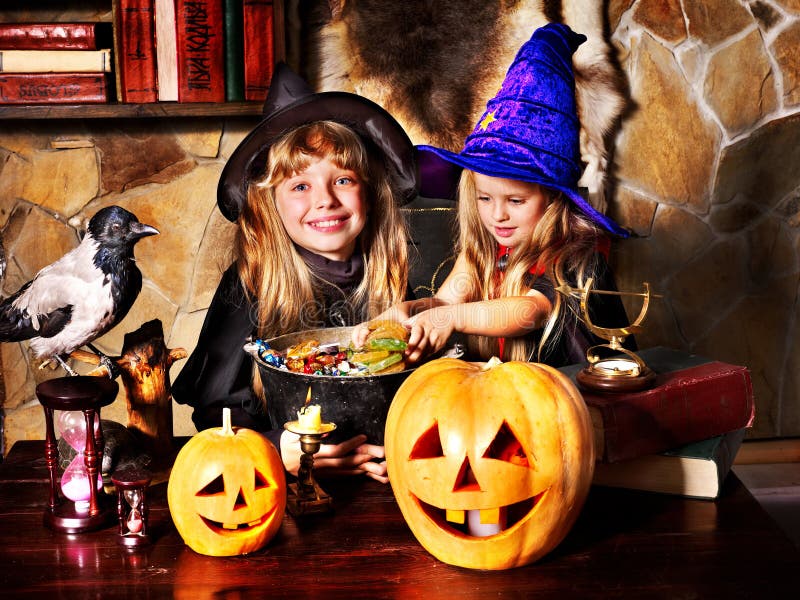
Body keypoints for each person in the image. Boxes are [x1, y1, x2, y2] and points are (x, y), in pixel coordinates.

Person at [173, 64, 418, 483]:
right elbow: (217, 416)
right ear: (271, 203)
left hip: (387, 488)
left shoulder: (394, 282)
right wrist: (275, 449)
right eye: (300, 186)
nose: (324, 200)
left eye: (342, 179)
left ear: (370, 194)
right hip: (283, 489)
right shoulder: (251, 285)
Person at [353, 23, 632, 367]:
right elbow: (445, 304)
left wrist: (452, 320)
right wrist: (403, 314)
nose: (497, 215)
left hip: (581, 398)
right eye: (485, 199)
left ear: (553, 200)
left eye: (515, 201)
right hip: (504, 394)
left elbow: (528, 310)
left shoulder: (575, 254)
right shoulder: (485, 250)